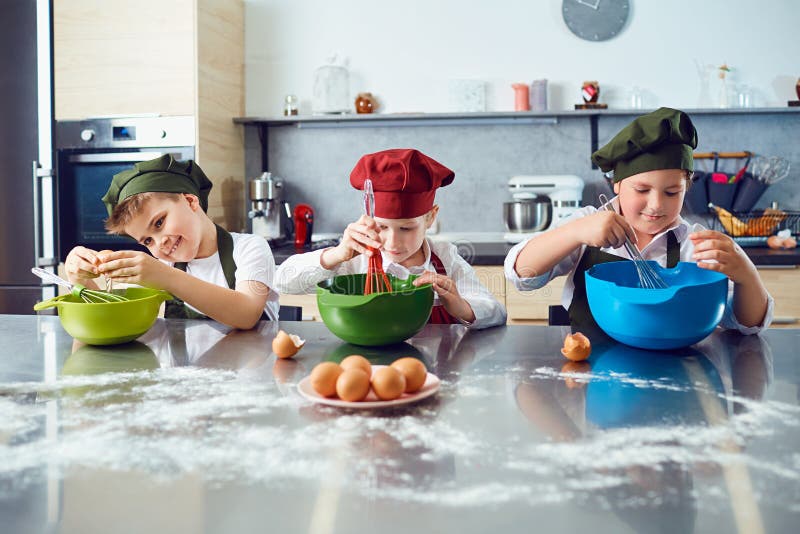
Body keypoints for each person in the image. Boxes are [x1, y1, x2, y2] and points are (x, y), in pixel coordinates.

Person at [504, 107, 773, 333]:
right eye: (642, 190)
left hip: (673, 375)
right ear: (618, 184)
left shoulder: (696, 244)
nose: (656, 205)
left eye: (672, 192)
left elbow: (746, 326)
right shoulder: (587, 224)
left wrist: (747, 276)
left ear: (686, 188)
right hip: (588, 372)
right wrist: (575, 232)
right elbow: (521, 275)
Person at [275, 148, 506, 328]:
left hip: (433, 372)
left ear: (430, 217)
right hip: (367, 371)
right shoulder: (355, 260)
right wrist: (335, 255)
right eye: (382, 227)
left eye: (406, 229)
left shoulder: (445, 258)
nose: (393, 242)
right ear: (367, 218)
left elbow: (496, 312)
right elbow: (282, 282)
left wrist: (460, 306)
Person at [64, 154, 279, 329]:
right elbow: (112, 320)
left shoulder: (249, 248)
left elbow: (247, 313)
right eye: (147, 240)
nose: (160, 244)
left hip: (250, 375)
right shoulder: (161, 266)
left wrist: (164, 276)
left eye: (159, 223)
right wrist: (80, 281)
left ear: (190, 200)